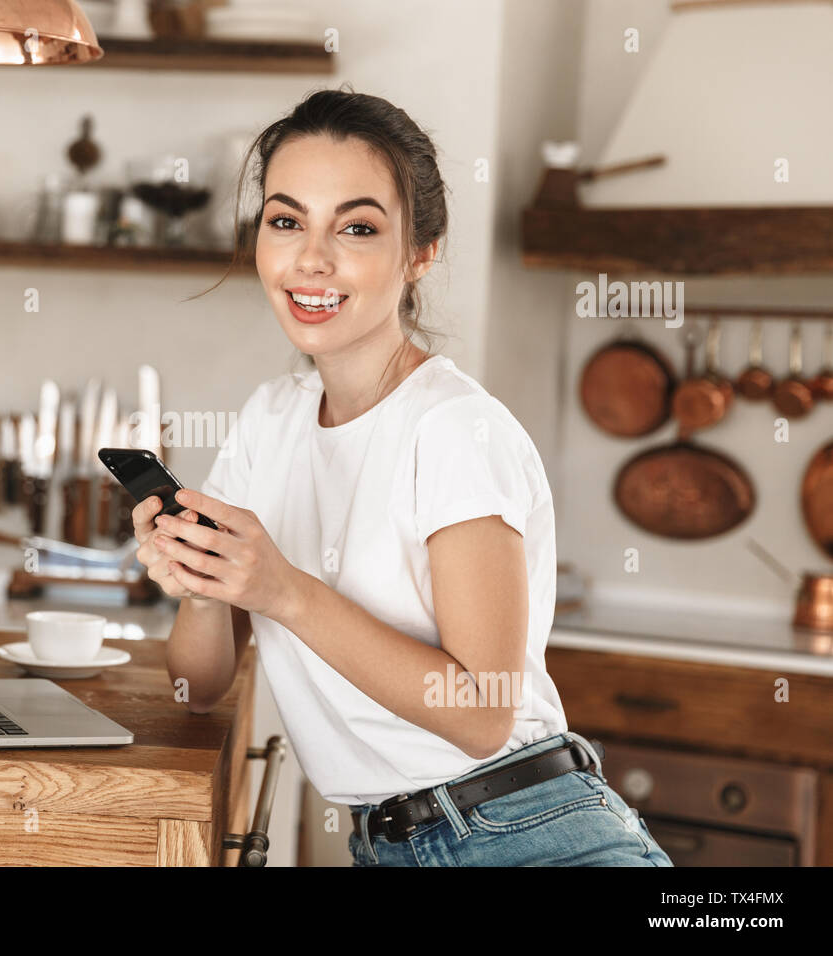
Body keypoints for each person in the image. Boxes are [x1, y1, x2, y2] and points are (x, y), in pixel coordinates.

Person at [130, 88, 672, 867]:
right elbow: (199, 684)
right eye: (286, 221)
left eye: (356, 227)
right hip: (396, 846)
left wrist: (281, 589)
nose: (311, 259)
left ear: (422, 251)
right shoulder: (269, 420)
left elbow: (483, 712)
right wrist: (204, 582)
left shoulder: (453, 428)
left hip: (527, 836)